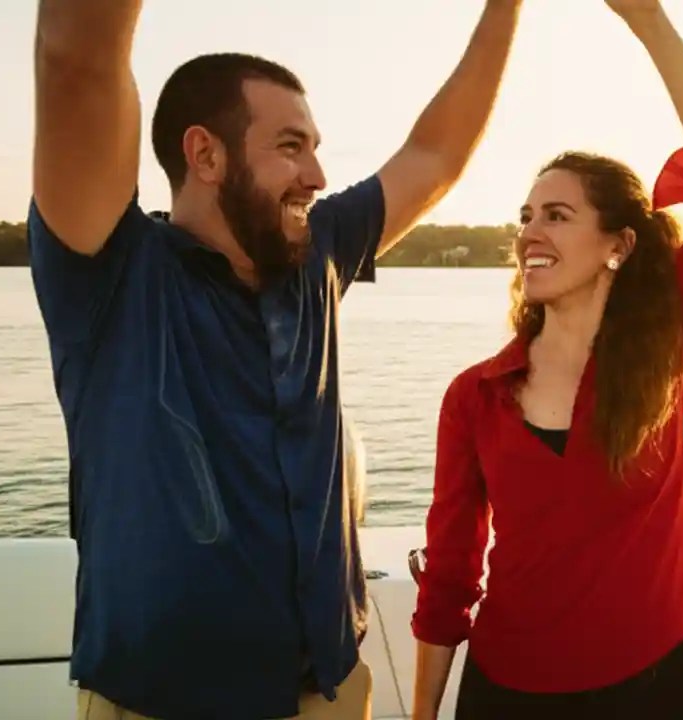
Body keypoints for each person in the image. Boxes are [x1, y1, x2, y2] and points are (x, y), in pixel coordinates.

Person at [27, 1, 523, 718]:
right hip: (163, 703)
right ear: (205, 155)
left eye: (316, 147)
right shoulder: (109, 272)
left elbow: (435, 155)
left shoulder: (316, 253)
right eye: (291, 146)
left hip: (329, 688)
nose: (318, 174)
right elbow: (76, 60)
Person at [409, 1, 683, 717]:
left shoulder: (670, 348)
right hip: (510, 695)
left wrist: (649, 20)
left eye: (557, 215)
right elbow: (448, 579)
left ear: (619, 246)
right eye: (526, 216)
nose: (530, 232)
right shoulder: (474, 396)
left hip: (658, 690)